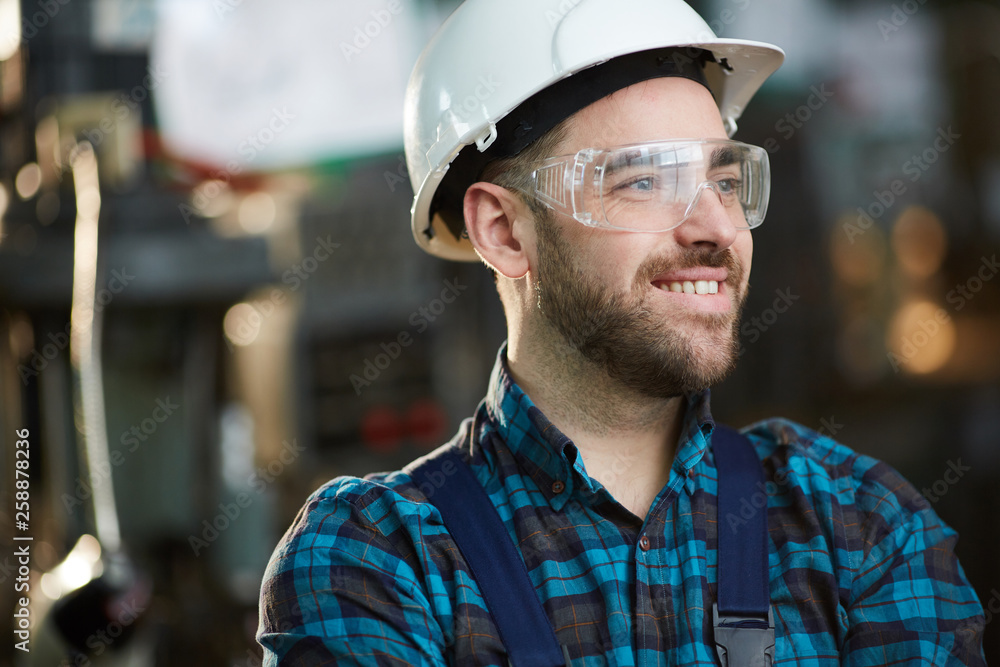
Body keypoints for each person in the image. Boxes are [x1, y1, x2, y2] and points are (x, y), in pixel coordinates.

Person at [257, 0, 986, 663]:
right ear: (505, 231)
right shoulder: (380, 559)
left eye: (724, 181)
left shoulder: (855, 525)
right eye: (643, 180)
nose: (716, 228)